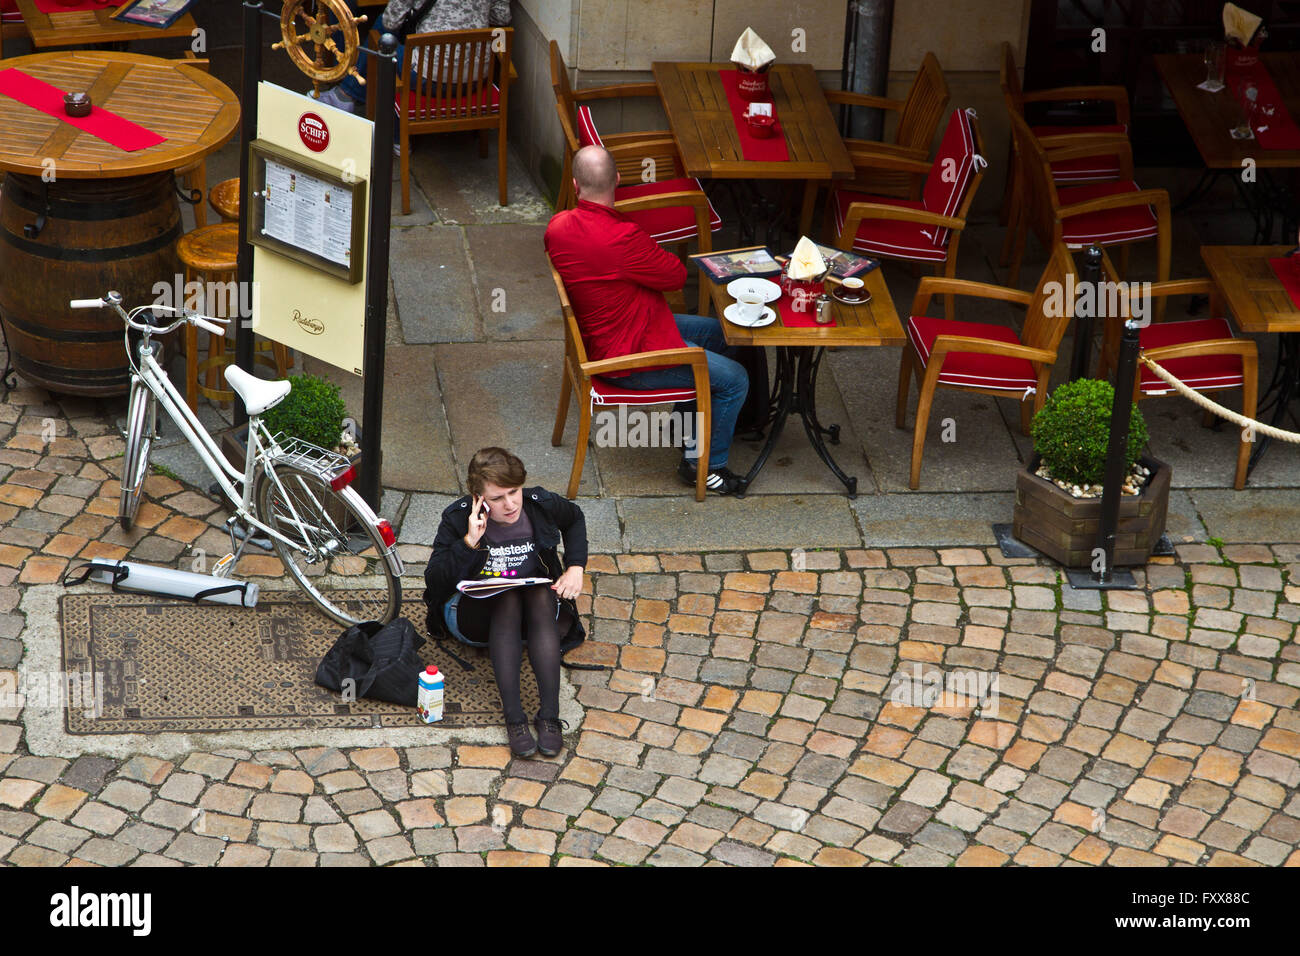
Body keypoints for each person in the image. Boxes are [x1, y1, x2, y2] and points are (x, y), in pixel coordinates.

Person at [545, 145, 750, 495]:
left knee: (721, 334)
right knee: (735, 380)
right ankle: (704, 466)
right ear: (619, 181)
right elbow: (673, 275)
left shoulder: (557, 226)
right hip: (629, 358)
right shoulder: (623, 238)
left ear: (576, 186)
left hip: (624, 329)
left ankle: (688, 427)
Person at [422, 447, 587, 758]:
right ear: (478, 498)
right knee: (506, 596)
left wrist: (576, 566)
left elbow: (575, 518)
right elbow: (435, 581)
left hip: (533, 611)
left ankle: (549, 716)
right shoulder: (457, 517)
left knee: (539, 592)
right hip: (473, 615)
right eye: (497, 498)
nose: (510, 504)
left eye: (514, 492)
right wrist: (469, 543)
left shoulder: (540, 504)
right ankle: (515, 719)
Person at [321, 0, 511, 120]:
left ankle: (394, 136)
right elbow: (502, 18)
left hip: (427, 77)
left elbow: (390, 22)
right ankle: (347, 93)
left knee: (382, 41)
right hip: (477, 77)